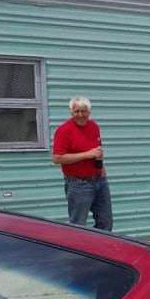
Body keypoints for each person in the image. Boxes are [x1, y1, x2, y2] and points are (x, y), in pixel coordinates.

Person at [52, 96, 113, 231]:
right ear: (71, 112)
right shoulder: (64, 131)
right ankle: (77, 251)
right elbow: (57, 158)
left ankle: (99, 250)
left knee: (105, 221)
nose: (80, 115)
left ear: (89, 112)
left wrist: (102, 171)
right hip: (78, 184)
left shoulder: (94, 127)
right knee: (78, 224)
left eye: (83, 111)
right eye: (76, 111)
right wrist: (86, 155)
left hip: (99, 181)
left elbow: (97, 151)